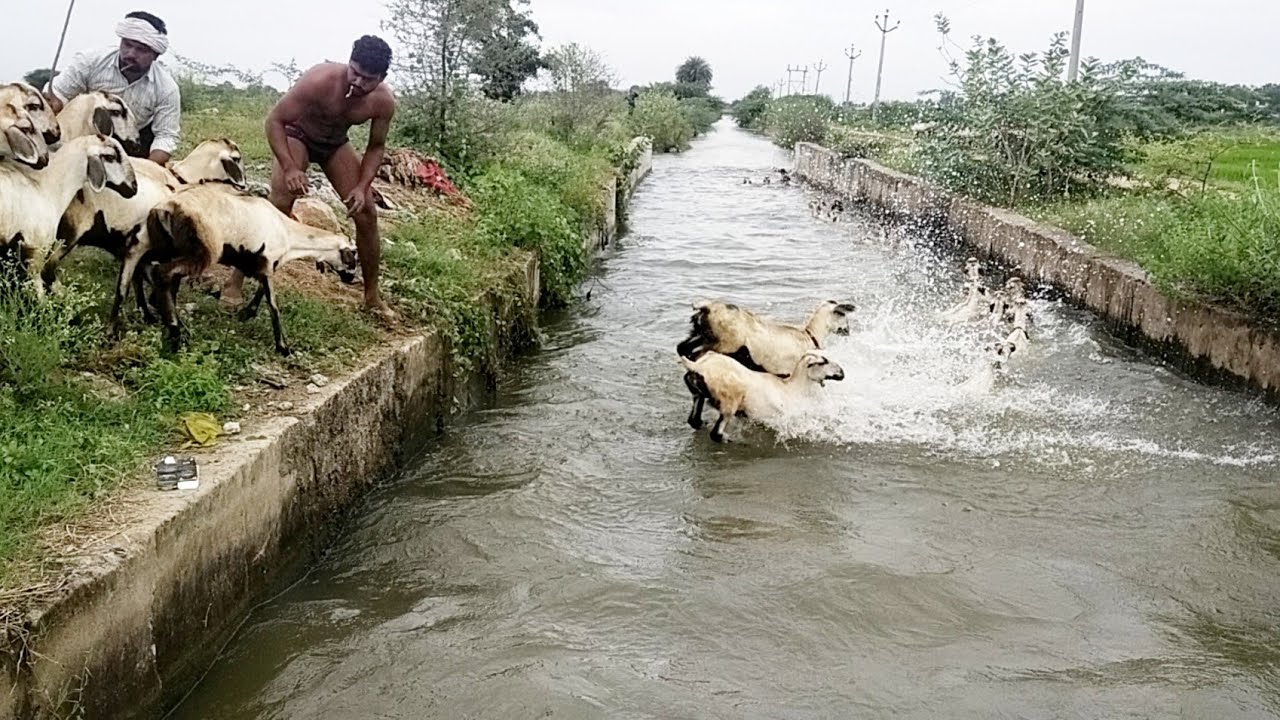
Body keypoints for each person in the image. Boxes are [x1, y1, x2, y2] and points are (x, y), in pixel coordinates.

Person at [221, 35, 396, 317]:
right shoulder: (320, 80)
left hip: (334, 144)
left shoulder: (384, 102)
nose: (358, 83)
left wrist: (363, 187)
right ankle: (235, 281)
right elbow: (275, 121)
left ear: (381, 78)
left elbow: (376, 147)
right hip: (296, 135)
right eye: (355, 72)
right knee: (280, 202)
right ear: (348, 62)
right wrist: (290, 167)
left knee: (366, 214)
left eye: (368, 79)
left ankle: (372, 296)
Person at [45, 10, 180, 165]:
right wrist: (52, 104)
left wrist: (147, 169)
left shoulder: (166, 88)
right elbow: (58, 94)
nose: (131, 54)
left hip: (134, 143)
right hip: (84, 136)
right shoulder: (89, 61)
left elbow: (166, 135)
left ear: (155, 55)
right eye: (127, 45)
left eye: (141, 50)